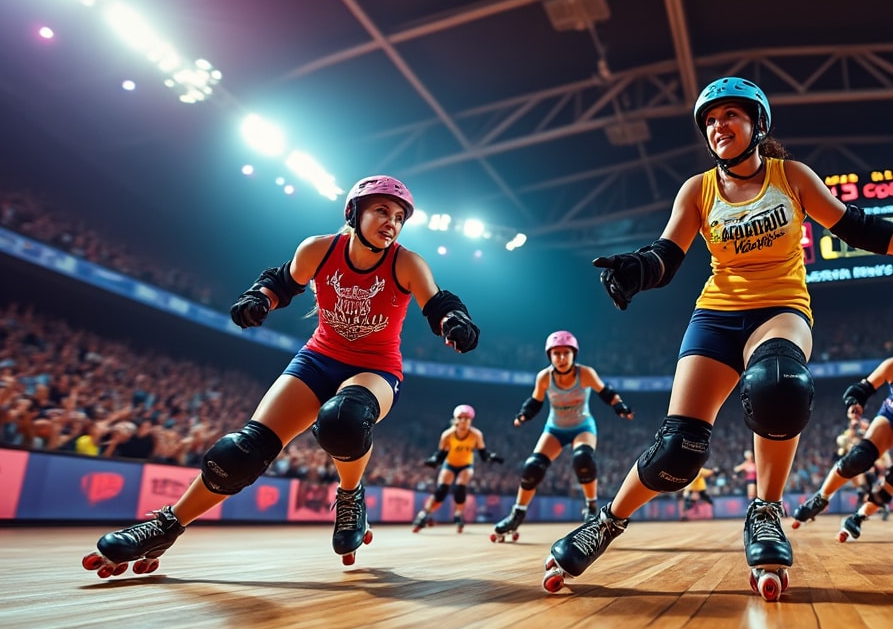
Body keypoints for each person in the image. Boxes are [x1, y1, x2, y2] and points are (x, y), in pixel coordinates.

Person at [541, 77, 893, 599]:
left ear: (757, 125)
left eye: (730, 115)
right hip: (716, 314)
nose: (718, 126)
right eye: (710, 120)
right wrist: (637, 268)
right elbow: (667, 255)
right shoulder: (697, 189)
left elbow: (855, 227)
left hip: (781, 308)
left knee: (779, 384)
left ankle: (766, 512)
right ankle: (605, 523)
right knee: (678, 450)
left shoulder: (789, 175)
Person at [82, 175, 480, 576]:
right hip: (318, 359)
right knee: (240, 452)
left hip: (375, 369)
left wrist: (453, 322)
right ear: (353, 213)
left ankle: (350, 495)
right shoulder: (320, 249)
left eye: (398, 216)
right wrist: (260, 298)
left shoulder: (406, 263)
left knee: (343, 420)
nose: (391, 222)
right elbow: (282, 282)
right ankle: (168, 524)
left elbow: (437, 302)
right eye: (381, 211)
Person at [791, 319, 893, 542]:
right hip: (890, 419)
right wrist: (855, 402)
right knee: (858, 458)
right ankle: (821, 498)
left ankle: (859, 517)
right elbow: (863, 388)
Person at [493, 330, 634, 543]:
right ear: (549, 356)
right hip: (555, 429)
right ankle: (517, 514)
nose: (560, 358)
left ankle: (590, 507)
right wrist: (524, 415)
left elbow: (606, 392)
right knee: (532, 467)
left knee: (583, 460)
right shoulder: (544, 377)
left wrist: (620, 406)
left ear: (573, 355)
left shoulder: (585, 373)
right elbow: (535, 402)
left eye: (565, 353)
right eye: (556, 354)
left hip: (582, 427)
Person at [413, 405, 502, 533]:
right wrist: (434, 460)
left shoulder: (476, 434)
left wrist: (491, 457)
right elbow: (441, 455)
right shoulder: (447, 435)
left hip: (466, 465)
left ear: (471, 420)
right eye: (460, 418)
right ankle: (425, 514)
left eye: (466, 418)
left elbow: (483, 454)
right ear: (455, 419)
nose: (463, 421)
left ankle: (458, 514)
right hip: (450, 464)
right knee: (441, 491)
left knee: (460, 488)